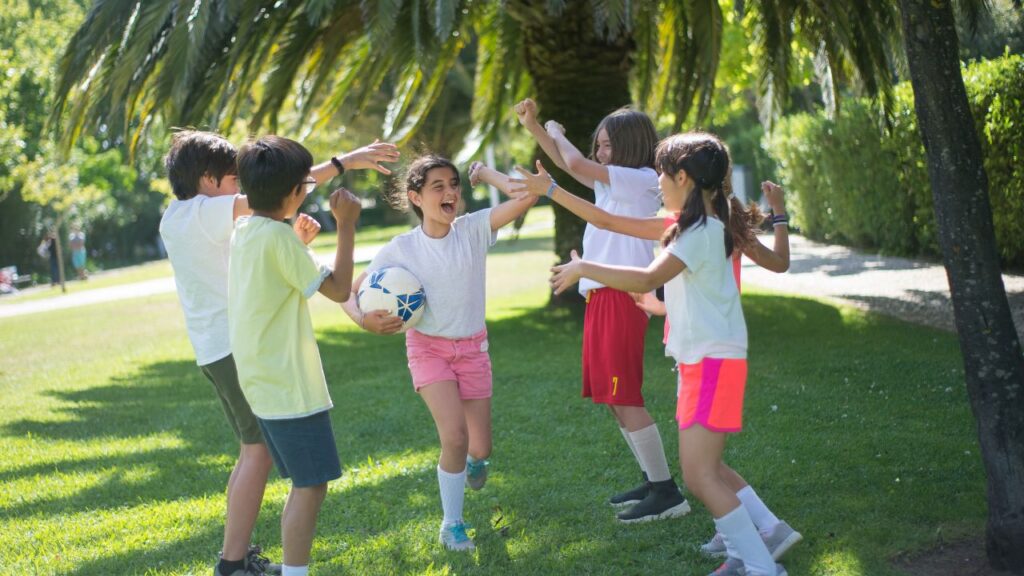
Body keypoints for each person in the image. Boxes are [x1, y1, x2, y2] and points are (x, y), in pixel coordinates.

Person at [513, 165, 802, 562]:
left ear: (685, 178)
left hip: (711, 358)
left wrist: (584, 266)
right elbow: (610, 221)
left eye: (663, 173)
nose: (657, 182)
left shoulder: (700, 229)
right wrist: (552, 189)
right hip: (699, 354)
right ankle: (752, 545)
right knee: (706, 468)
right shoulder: (693, 225)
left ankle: (758, 561)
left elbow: (647, 274)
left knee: (701, 473)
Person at [160, 130, 398, 576]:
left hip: (222, 347)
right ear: (209, 180)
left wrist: (298, 242)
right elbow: (277, 188)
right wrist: (345, 169)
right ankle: (233, 562)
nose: (241, 188)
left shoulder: (185, 218)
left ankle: (235, 558)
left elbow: (275, 201)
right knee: (262, 455)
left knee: (255, 451)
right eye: (235, 178)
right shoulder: (208, 213)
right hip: (243, 349)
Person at [340, 154, 536, 551]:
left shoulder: (473, 229)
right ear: (416, 197)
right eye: (438, 187)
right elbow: (346, 289)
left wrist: (486, 174)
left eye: (454, 184)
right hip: (428, 350)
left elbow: (526, 197)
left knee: (480, 448)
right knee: (456, 437)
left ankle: (475, 464)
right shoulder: (401, 248)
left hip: (473, 348)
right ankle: (452, 525)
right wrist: (363, 319)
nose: (450, 192)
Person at [513, 98, 688, 523]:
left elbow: (572, 159)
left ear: (629, 145)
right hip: (602, 294)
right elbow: (571, 165)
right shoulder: (617, 184)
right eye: (599, 145)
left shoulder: (639, 179)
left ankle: (666, 493)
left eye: (607, 145)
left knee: (623, 394)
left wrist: (555, 129)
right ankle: (653, 479)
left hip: (619, 294)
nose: (600, 153)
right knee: (613, 397)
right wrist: (536, 126)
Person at [229, 135, 365, 576]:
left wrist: (297, 243)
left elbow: (273, 282)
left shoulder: (248, 230)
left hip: (263, 381)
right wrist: (346, 224)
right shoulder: (279, 239)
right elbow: (341, 289)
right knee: (311, 485)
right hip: (289, 385)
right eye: (305, 183)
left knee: (306, 483)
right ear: (295, 193)